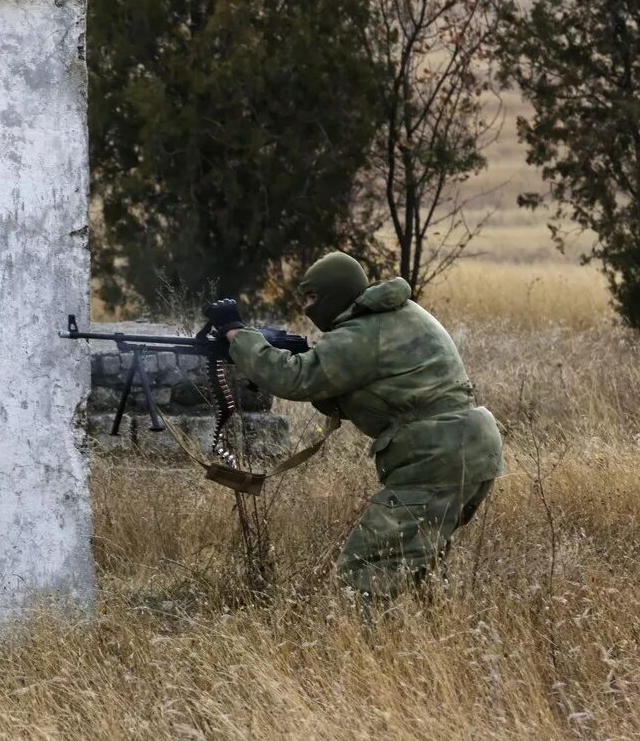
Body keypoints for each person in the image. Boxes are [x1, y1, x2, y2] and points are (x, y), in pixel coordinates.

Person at [205, 251, 503, 606]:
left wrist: (239, 335)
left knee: (365, 569)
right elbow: (363, 390)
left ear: (335, 293)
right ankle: (426, 645)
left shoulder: (362, 332)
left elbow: (296, 377)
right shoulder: (400, 314)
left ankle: (369, 654)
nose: (306, 308)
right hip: (469, 448)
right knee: (417, 563)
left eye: (312, 297)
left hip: (436, 455)